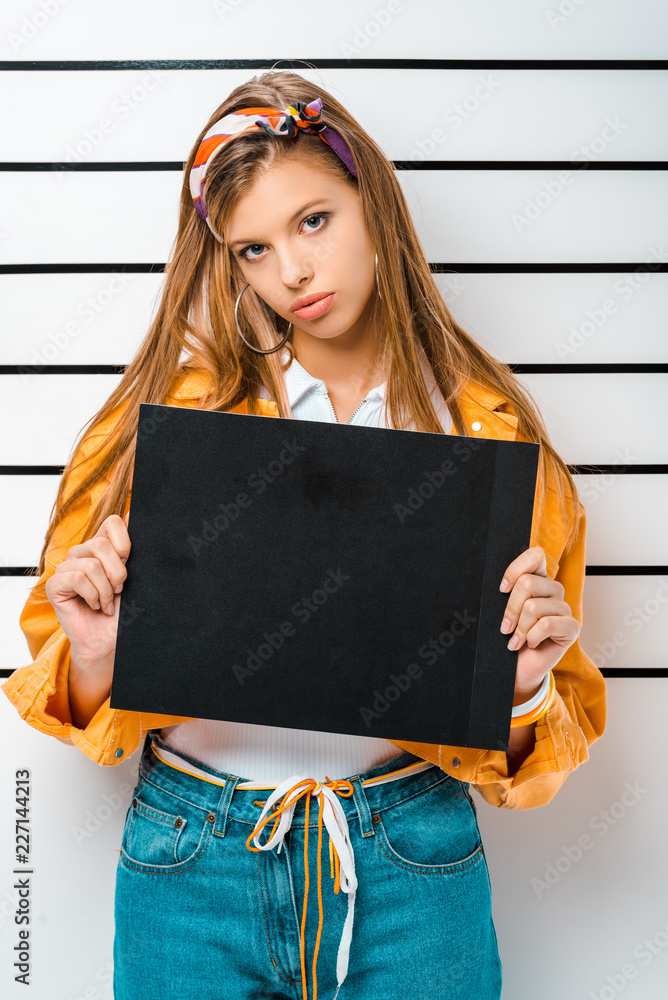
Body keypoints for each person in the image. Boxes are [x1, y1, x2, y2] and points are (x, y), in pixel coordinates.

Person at [2, 71, 606, 999]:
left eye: (313, 221)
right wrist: (95, 658)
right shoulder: (167, 426)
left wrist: (520, 690)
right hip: (191, 860)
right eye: (252, 248)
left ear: (372, 198)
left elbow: (533, 772)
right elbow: (73, 703)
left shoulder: (486, 434)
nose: (291, 271)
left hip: (415, 860)